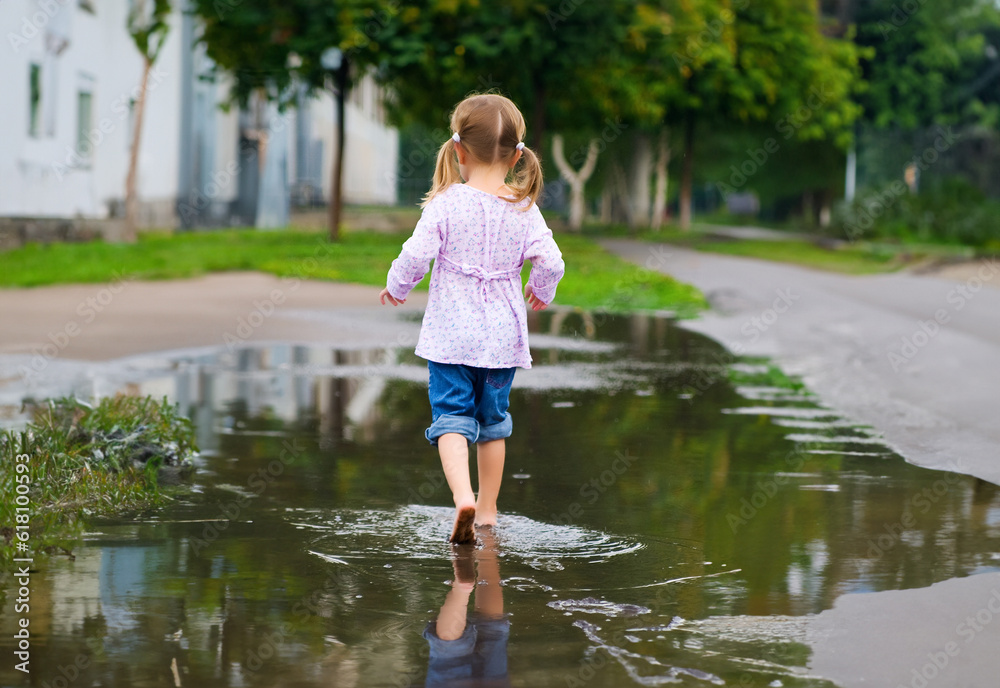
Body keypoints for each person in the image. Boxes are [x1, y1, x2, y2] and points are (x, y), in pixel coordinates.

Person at [379, 93, 565, 544]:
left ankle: (461, 496)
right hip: (501, 340)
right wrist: (540, 290)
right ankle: (487, 509)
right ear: (517, 155)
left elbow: (415, 254)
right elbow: (553, 262)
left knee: (450, 419)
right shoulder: (525, 208)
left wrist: (397, 286)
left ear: (458, 150)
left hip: (450, 339)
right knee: (493, 423)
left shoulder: (445, 203)